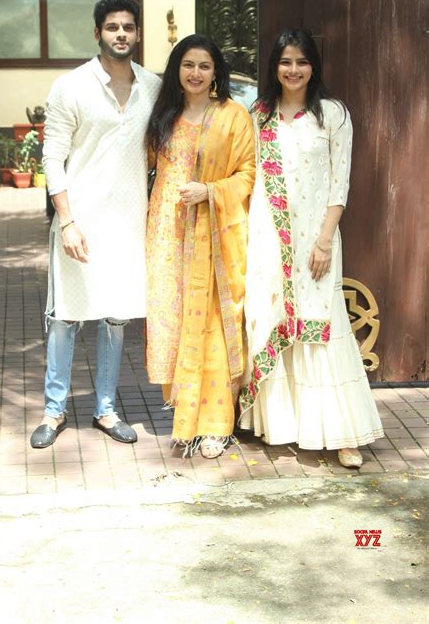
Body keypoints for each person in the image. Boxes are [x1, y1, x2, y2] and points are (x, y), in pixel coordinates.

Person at [240, 29, 384, 468]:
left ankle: (343, 433)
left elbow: (339, 185)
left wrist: (324, 241)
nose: (294, 70)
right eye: (286, 61)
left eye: (302, 61)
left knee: (321, 325)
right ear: (274, 66)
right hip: (268, 238)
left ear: (313, 66)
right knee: (275, 318)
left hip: (316, 242)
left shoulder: (333, 115)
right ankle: (282, 427)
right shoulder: (258, 114)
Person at [30, 0, 161, 449]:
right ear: (97, 33)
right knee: (65, 318)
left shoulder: (154, 86)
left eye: (128, 26)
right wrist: (66, 220)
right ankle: (54, 409)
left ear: (137, 33)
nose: (121, 33)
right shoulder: (71, 86)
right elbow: (52, 156)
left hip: (129, 223)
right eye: (112, 27)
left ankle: (105, 409)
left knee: (115, 316)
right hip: (80, 222)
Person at [146, 34, 256, 459]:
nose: (195, 73)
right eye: (188, 64)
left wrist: (209, 190)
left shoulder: (232, 116)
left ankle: (213, 425)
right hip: (166, 237)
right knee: (175, 321)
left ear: (216, 72)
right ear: (177, 69)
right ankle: (185, 416)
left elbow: (247, 175)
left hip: (213, 234)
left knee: (210, 321)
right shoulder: (164, 114)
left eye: (204, 66)